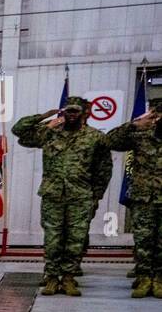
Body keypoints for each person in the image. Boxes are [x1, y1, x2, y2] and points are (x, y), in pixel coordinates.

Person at [13, 96, 113, 296]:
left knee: (76, 239)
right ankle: (51, 277)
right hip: (53, 195)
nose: (72, 115)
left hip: (80, 196)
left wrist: (96, 196)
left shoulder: (95, 137)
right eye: (68, 111)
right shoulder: (50, 133)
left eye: (76, 111)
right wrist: (45, 117)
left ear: (84, 113)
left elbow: (104, 169)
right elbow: (19, 131)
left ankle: (68, 278)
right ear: (64, 112)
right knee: (53, 238)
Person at [106, 99, 162, 298]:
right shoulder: (140, 135)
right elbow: (110, 141)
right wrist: (134, 123)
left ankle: (159, 280)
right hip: (143, 197)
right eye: (157, 113)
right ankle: (144, 277)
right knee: (143, 240)